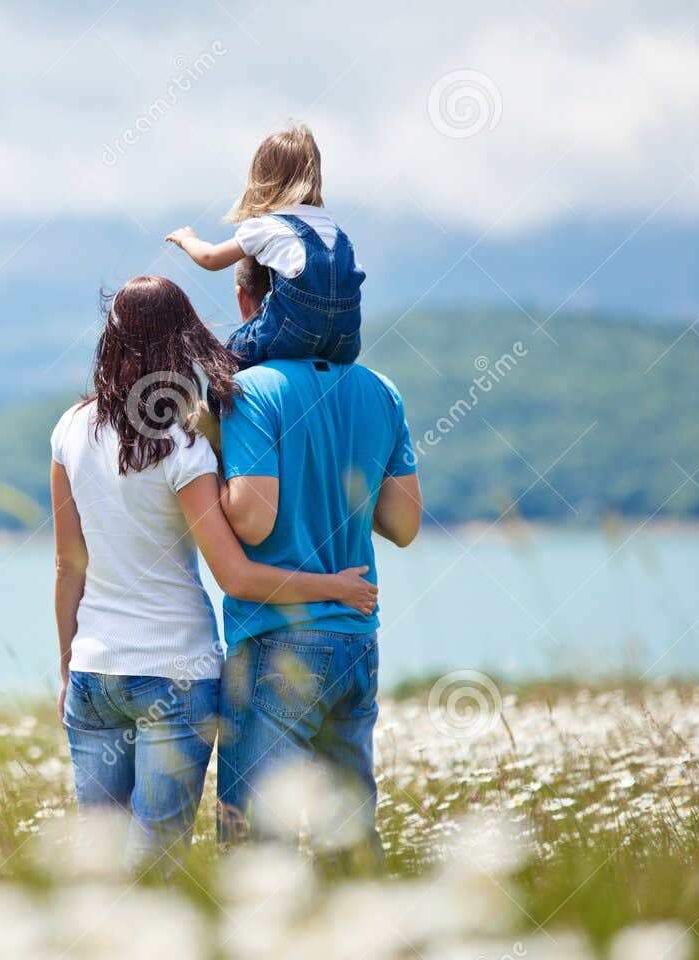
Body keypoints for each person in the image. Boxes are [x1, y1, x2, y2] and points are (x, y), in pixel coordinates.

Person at [50, 275, 378, 868]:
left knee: (96, 863)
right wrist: (336, 587)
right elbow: (237, 576)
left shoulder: (70, 429)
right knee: (158, 865)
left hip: (93, 674)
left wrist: (66, 664)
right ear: (180, 344)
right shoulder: (184, 446)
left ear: (112, 338)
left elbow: (68, 564)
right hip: (174, 673)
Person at [216, 255, 421, 867]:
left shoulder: (252, 390)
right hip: (357, 639)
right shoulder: (381, 390)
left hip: (276, 640)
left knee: (257, 843)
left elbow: (253, 518)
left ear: (250, 301)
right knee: (350, 838)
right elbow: (404, 525)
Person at [163, 121, 365, 369]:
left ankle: (213, 404)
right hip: (345, 341)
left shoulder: (268, 226)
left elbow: (210, 258)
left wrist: (188, 240)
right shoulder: (335, 230)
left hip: (293, 334)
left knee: (226, 361)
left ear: (261, 179)